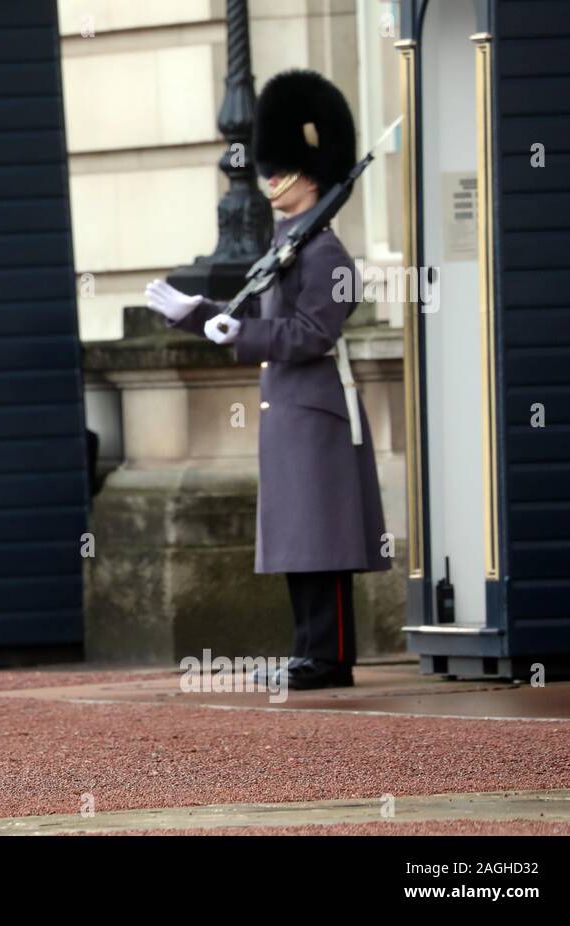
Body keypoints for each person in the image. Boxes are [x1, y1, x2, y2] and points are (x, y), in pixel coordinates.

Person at [146, 70, 390, 691]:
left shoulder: (326, 253)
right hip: (291, 407)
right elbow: (250, 317)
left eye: (279, 169)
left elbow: (311, 333)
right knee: (298, 538)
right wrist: (195, 313)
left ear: (309, 175)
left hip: (318, 411)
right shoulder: (288, 243)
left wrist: (241, 334)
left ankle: (330, 657)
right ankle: (309, 651)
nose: (268, 180)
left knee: (323, 538)